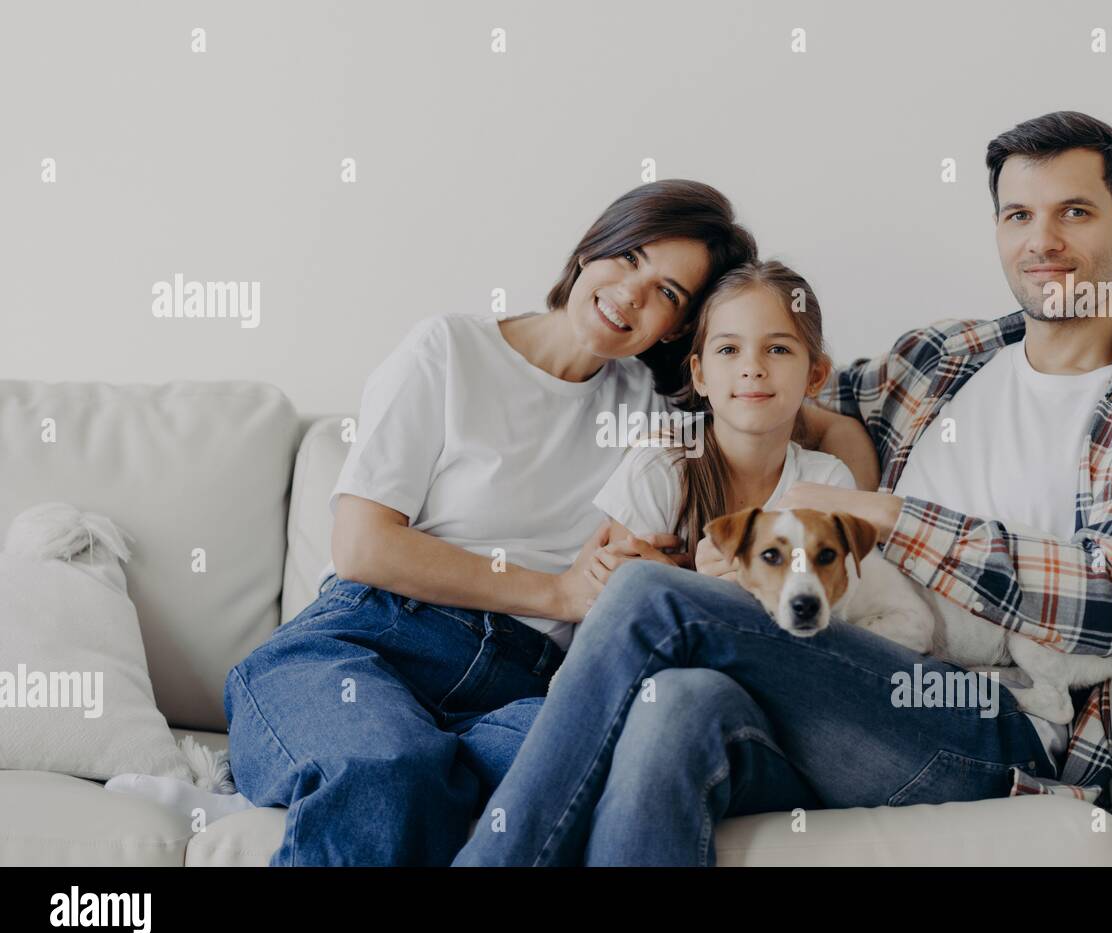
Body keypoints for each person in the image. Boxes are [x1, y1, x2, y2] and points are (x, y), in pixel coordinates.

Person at [451, 111, 1112, 866]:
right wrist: (663, 508)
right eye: (1017, 215)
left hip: (985, 721)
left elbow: (1106, 601)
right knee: (676, 709)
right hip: (833, 689)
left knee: (647, 600)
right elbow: (772, 393)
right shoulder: (940, 360)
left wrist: (878, 512)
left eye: (1074, 212)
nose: (1042, 241)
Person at [222, 178, 877, 866]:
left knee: (617, 770)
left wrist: (850, 517)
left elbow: (820, 427)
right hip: (369, 641)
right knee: (390, 773)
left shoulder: (661, 417)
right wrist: (558, 593)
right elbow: (361, 547)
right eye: (630, 258)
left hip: (524, 689)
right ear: (594, 245)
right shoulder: (448, 350)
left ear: (679, 331)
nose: (633, 294)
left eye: (669, 294)